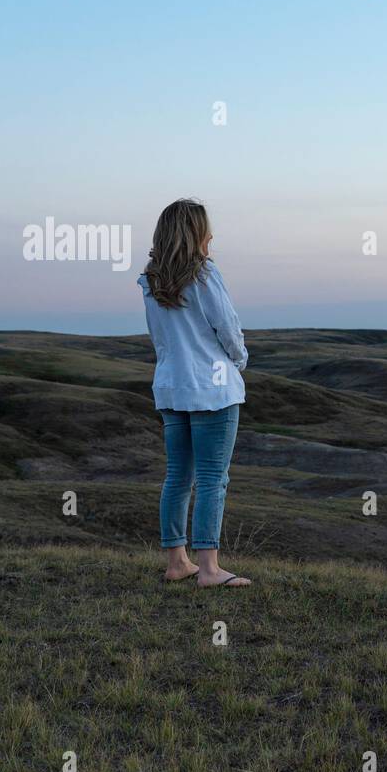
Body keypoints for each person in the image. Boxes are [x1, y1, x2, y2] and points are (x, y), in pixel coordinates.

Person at [137, 198, 251, 587]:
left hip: (172, 387)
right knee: (212, 478)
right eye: (206, 229)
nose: (212, 235)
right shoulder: (205, 275)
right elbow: (228, 327)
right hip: (213, 390)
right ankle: (209, 569)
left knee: (178, 476)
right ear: (195, 234)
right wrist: (239, 360)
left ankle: (176, 562)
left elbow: (161, 339)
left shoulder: (151, 281)